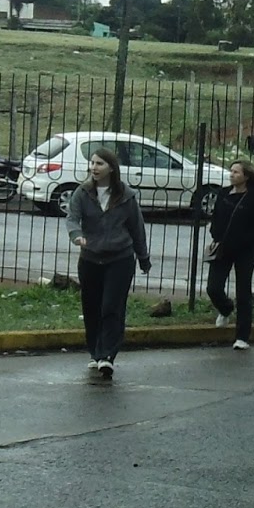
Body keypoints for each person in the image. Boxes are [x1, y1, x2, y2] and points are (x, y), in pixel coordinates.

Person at [65, 146, 151, 380]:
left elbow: (137, 228)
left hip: (120, 259)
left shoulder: (126, 195)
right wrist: (77, 236)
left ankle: (107, 356)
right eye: (92, 163)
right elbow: (72, 218)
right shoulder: (82, 193)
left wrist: (143, 258)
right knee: (91, 307)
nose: (94, 167)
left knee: (111, 307)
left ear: (111, 168)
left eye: (99, 163)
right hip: (90, 258)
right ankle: (95, 351)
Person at [205, 159, 254, 350]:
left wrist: (245, 241)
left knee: (243, 293)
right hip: (222, 249)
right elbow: (216, 217)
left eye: (236, 172)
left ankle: (242, 336)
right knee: (213, 287)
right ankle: (225, 309)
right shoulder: (224, 193)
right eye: (231, 171)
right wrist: (215, 234)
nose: (232, 175)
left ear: (246, 176)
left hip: (244, 251)